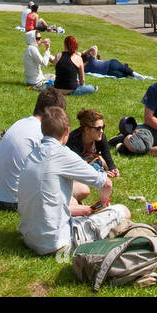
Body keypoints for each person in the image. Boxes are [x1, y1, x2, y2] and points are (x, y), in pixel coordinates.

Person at [17, 106, 114, 256]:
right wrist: (102, 203)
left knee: (73, 198)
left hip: (28, 237)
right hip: (56, 242)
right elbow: (106, 183)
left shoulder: (32, 155)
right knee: (121, 211)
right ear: (67, 131)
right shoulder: (63, 155)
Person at [0, 88, 66, 209]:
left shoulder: (20, 123)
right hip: (17, 201)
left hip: (1, 196)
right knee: (75, 188)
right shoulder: (42, 132)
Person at [68, 108, 119, 177]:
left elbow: (107, 156)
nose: (101, 131)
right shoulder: (73, 140)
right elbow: (79, 166)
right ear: (87, 130)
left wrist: (112, 168)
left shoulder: (101, 137)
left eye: (103, 127)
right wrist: (99, 174)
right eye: (98, 128)